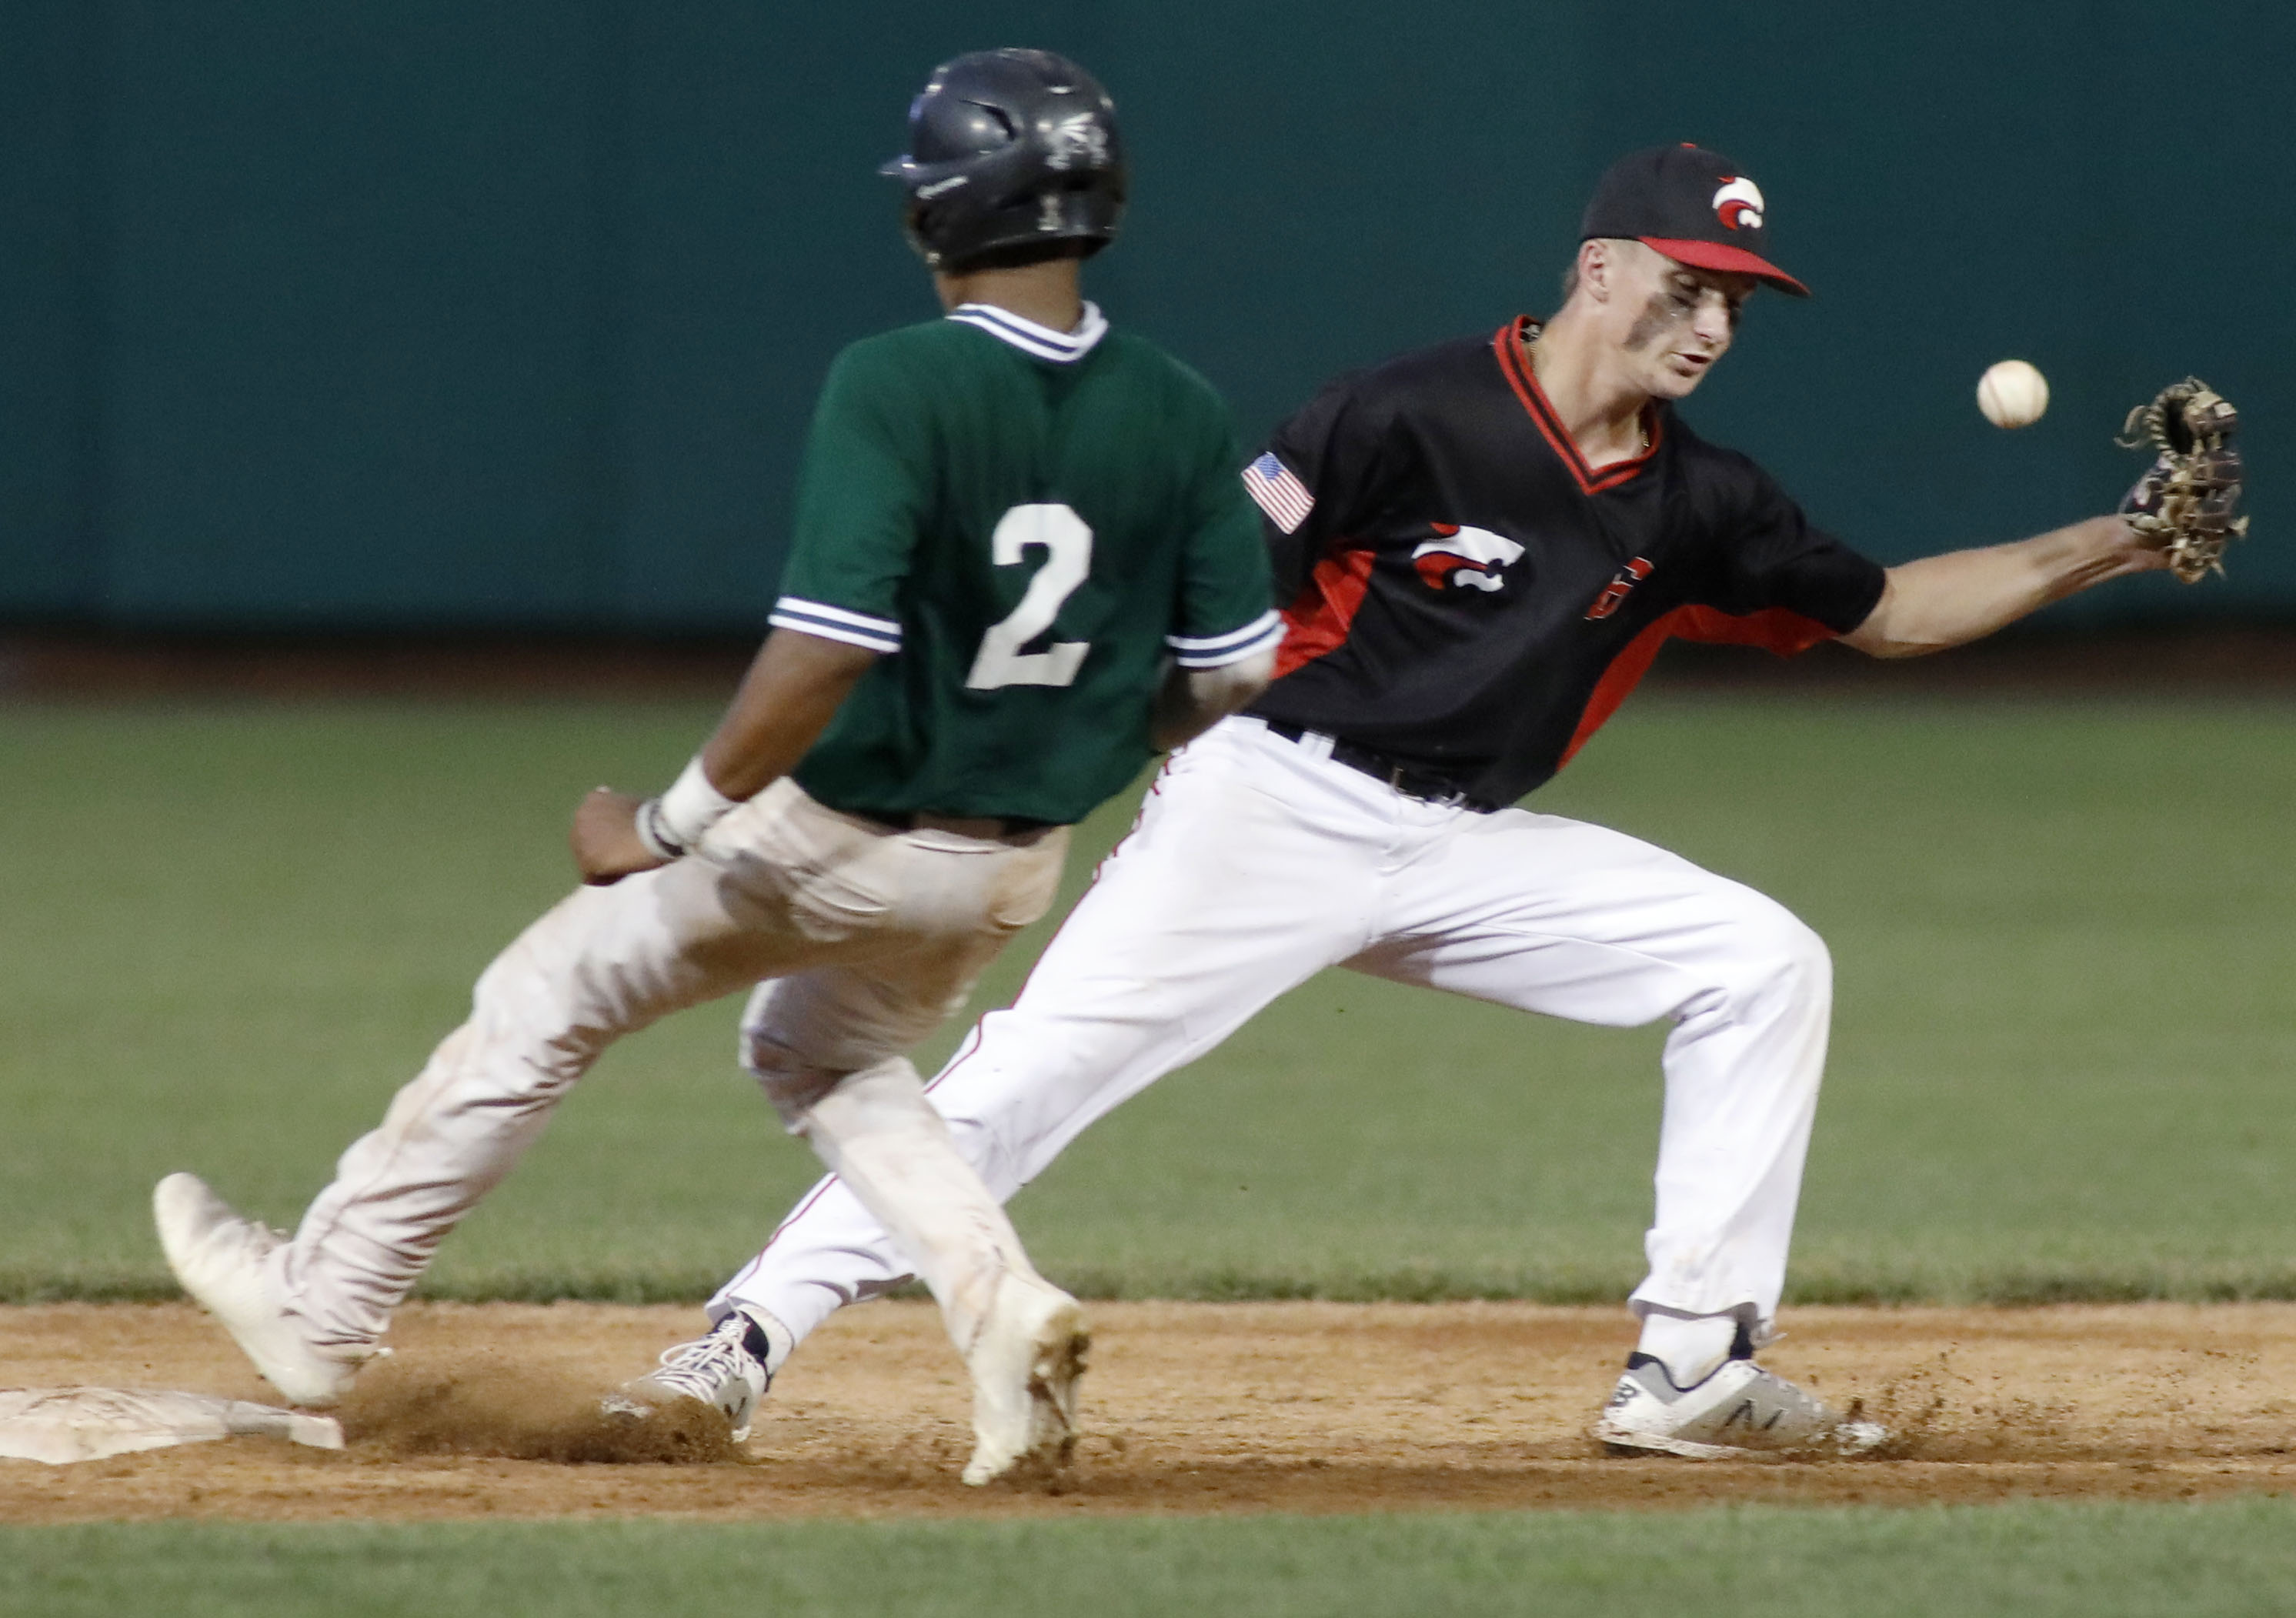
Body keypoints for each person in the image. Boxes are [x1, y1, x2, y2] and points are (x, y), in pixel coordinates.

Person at [613, 142, 2183, 1462]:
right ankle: (743, 1338)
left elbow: (1892, 609)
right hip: (1271, 808)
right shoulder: (1406, 413)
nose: (1708, 322)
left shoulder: (1706, 499)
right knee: (1033, 1073)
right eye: (1685, 281)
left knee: (1757, 958)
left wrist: (2112, 539)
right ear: (1598, 267)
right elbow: (1213, 594)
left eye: (1734, 300)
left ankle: (1691, 1363)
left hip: (1464, 844)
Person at [150, 48, 1283, 1487]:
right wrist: (1079, 742)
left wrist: (671, 820)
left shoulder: (899, 379)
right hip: (1007, 866)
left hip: (841, 833)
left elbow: (825, 646)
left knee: (549, 993)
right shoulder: (1178, 405)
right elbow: (1237, 670)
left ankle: (322, 1310)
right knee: (830, 1052)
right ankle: (1001, 1304)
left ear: (937, 209)